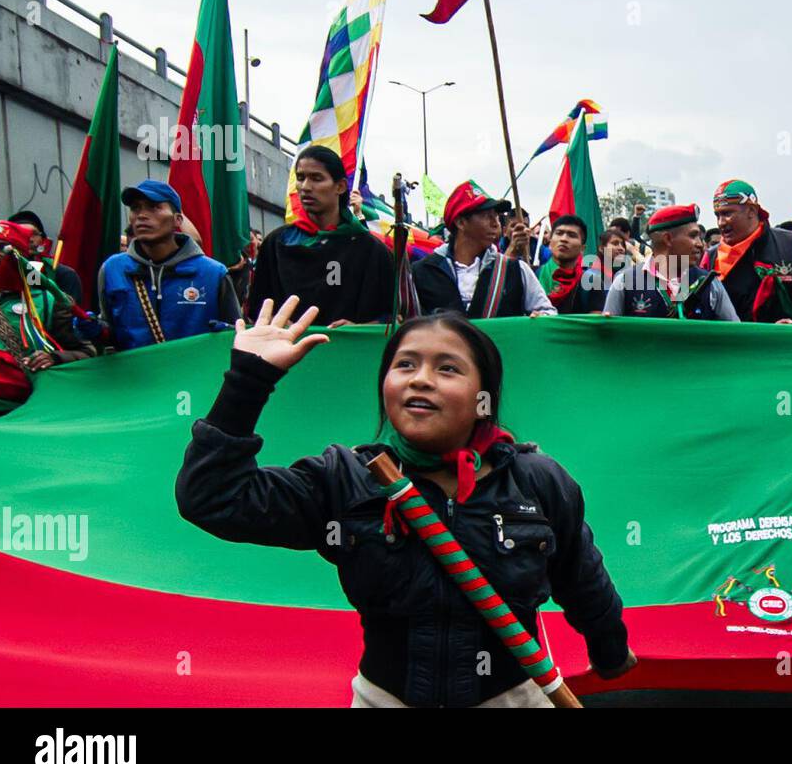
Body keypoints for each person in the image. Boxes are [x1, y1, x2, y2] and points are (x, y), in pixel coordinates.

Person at [176, 297, 635, 707]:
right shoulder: (346, 480)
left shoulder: (537, 482)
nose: (421, 380)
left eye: (447, 368)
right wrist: (248, 381)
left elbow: (583, 579)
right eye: (406, 365)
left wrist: (611, 654)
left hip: (513, 698)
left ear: (483, 400)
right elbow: (213, 498)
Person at [247, 146, 394, 326]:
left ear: (340, 186)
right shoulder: (276, 243)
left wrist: (358, 329)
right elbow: (256, 310)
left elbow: (393, 319)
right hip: (285, 349)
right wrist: (277, 323)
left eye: (317, 178)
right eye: (300, 178)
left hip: (345, 352)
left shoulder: (371, 250)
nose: (306, 187)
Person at [97, 180, 242, 350]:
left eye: (154, 207)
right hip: (134, 375)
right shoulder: (113, 269)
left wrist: (226, 335)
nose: (142, 215)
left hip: (196, 373)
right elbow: (109, 334)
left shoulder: (212, 273)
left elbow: (238, 336)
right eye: (136, 208)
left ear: (177, 220)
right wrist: (96, 330)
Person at [0, 220, 94, 418]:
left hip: (27, 414)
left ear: (20, 255)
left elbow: (87, 352)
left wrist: (54, 358)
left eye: (1, 248)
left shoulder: (48, 299)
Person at [412, 181, 556, 318]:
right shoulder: (423, 271)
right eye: (487, 216)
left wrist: (541, 318)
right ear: (461, 223)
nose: (496, 223)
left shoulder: (516, 270)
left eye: (496, 216)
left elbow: (548, 313)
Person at [705, 179, 792, 323]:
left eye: (727, 214)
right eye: (717, 216)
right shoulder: (711, 258)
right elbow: (690, 313)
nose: (721, 222)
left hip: (790, 344)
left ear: (751, 211)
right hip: (736, 345)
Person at [605, 204, 738, 320]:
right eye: (693, 236)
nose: (700, 244)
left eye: (700, 237)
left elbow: (736, 336)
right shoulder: (624, 282)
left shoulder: (710, 284)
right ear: (668, 239)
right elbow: (607, 338)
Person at [8, 209, 83, 305]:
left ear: (42, 240)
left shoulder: (62, 274)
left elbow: (70, 313)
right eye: (21, 233)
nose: (30, 239)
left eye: (34, 234)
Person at [536, 216, 605, 314]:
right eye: (559, 233)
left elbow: (595, 323)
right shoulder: (534, 275)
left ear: (582, 248)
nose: (563, 239)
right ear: (550, 242)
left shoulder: (592, 281)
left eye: (572, 235)